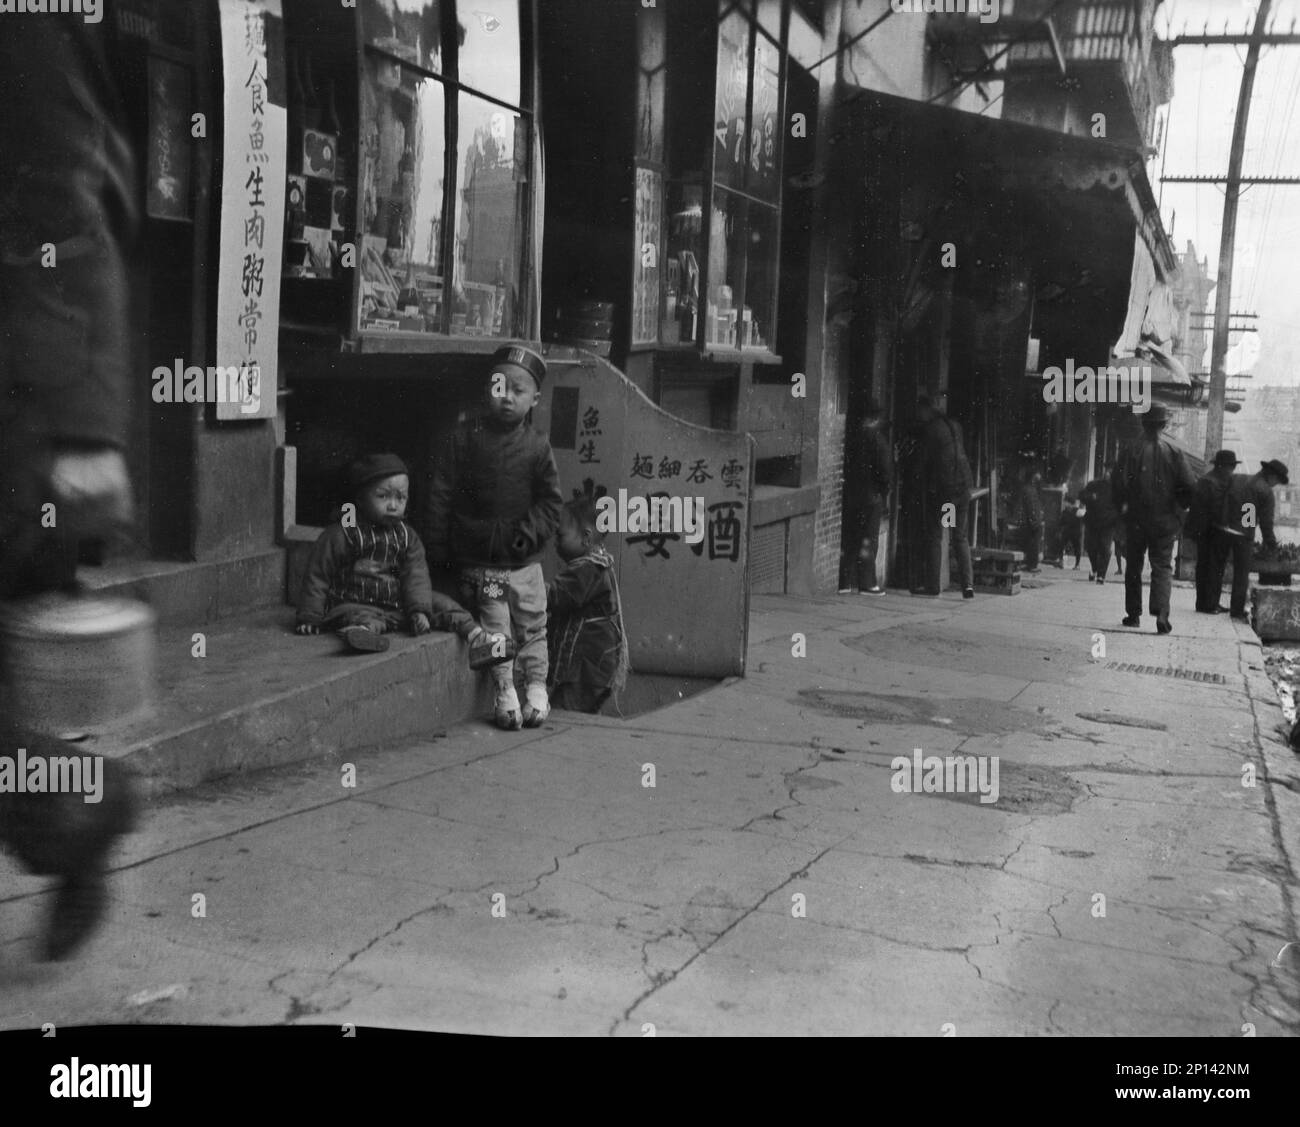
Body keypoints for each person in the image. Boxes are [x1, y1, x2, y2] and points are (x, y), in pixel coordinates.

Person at [0, 16, 141, 960]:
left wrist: (81, 434)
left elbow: (61, 205)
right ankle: (73, 807)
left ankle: (76, 807)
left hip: (26, 421)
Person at [425, 345, 564, 729]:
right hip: (482, 563)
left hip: (523, 562)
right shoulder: (464, 439)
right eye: (499, 386)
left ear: (534, 398)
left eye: (518, 390)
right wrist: (439, 547)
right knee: (495, 626)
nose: (507, 397)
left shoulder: (537, 446)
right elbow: (442, 492)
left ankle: (537, 687)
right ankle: (504, 691)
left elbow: (551, 504)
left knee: (533, 625)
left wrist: (525, 537)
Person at [296, 454, 509, 666]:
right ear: (360, 498)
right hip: (355, 601)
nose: (393, 505)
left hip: (398, 603)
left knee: (444, 604)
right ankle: (360, 635)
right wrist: (310, 615)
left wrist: (419, 609)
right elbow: (318, 574)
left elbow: (415, 576)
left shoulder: (407, 536)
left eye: (401, 498)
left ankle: (477, 638)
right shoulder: (344, 532)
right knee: (359, 617)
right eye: (383, 496)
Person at [1109, 403, 1197, 634]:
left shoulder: (1130, 450)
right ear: (1164, 424)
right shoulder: (1175, 452)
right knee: (1162, 566)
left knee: (1134, 566)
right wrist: (1177, 512)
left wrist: (1123, 511)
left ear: (1143, 423)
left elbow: (1116, 485)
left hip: (1136, 519)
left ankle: (1133, 614)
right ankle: (1161, 614)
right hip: (1165, 522)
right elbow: (1189, 487)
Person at [546, 496, 630, 713]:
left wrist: (523, 583)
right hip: (595, 669)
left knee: (562, 714)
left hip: (585, 671)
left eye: (560, 536)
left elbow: (556, 596)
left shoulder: (588, 569)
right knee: (580, 716)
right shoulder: (598, 564)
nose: (555, 543)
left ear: (585, 537)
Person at [905, 395, 975, 598]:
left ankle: (933, 586)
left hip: (947, 494)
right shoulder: (954, 425)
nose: (918, 415)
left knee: (936, 535)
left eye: (919, 411)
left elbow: (922, 461)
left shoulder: (931, 430)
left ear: (926, 410)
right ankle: (967, 585)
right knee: (960, 537)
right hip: (963, 489)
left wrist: (912, 476)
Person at [1215, 459, 1290, 622]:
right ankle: (1236, 610)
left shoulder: (1238, 478)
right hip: (1243, 535)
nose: (1275, 484)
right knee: (1241, 573)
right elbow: (1266, 523)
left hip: (1224, 529)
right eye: (1277, 481)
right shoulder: (1266, 492)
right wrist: (1271, 543)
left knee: (1217, 568)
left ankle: (1211, 603)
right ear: (1272, 476)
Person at [839, 399, 892, 596]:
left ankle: (843, 582)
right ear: (876, 418)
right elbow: (885, 472)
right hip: (871, 498)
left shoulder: (851, 437)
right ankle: (867, 583)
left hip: (851, 496)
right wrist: (883, 491)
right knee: (868, 540)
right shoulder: (877, 440)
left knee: (850, 539)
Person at [1187, 449, 1238, 614]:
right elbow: (1212, 509)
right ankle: (1209, 604)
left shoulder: (1210, 480)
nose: (1232, 470)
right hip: (1213, 532)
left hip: (1209, 531)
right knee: (1212, 567)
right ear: (1222, 466)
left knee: (1209, 567)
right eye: (1231, 466)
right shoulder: (1214, 482)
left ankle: (1207, 602)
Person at [1081, 474, 1117, 583]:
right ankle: (1095, 569)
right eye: (1108, 470)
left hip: (1108, 523)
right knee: (1091, 547)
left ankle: (1101, 575)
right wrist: (1090, 497)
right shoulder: (1093, 484)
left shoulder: (1117, 487)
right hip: (1093, 521)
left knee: (1105, 548)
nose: (1109, 473)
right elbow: (1082, 496)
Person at [1016, 464, 1045, 572]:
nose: (1040, 476)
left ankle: (1031, 564)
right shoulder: (1030, 490)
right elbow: (1031, 506)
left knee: (1032, 543)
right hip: (1032, 521)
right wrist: (1035, 521)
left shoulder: (1030, 488)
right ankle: (1032, 565)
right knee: (1033, 543)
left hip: (1031, 520)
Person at [1057, 496, 1082, 570]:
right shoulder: (1065, 511)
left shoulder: (1077, 511)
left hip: (1075, 532)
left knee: (1077, 548)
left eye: (1066, 502)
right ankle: (1061, 562)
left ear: (1069, 503)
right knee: (1061, 545)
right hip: (1067, 531)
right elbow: (1061, 522)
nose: (1065, 504)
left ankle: (1077, 564)